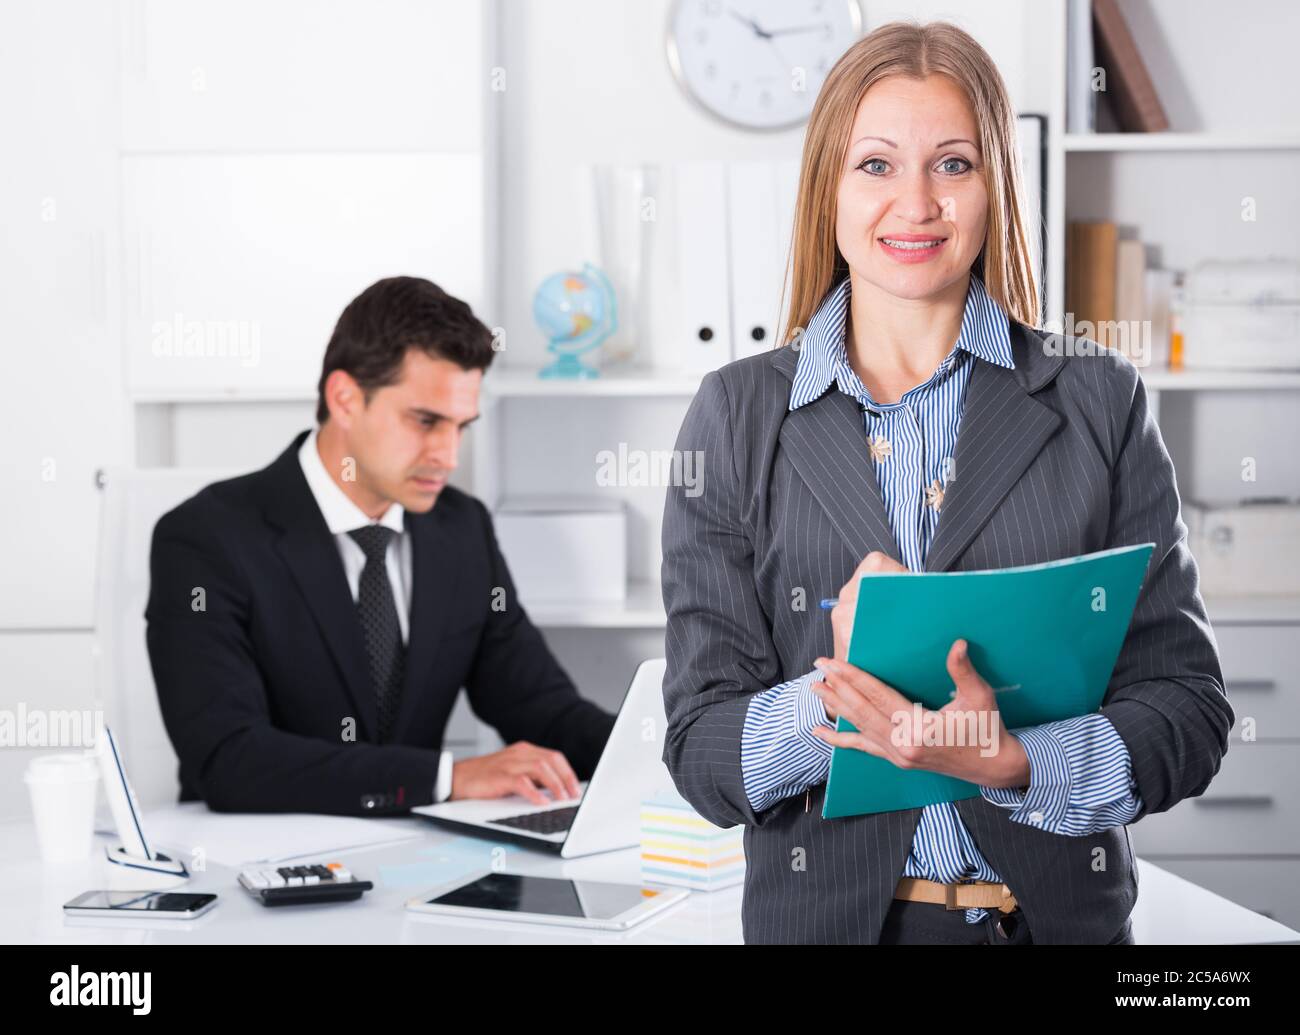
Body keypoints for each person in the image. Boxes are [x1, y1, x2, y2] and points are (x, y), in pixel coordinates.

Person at [659, 21, 1232, 944]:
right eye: (877, 165)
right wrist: (838, 698)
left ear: (995, 184)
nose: (916, 203)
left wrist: (1014, 761)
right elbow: (700, 752)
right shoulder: (734, 416)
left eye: (953, 164)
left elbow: (1189, 712)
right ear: (829, 189)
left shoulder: (1099, 400)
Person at [146, 276, 616, 817]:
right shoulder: (206, 539)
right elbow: (229, 760)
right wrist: (447, 778)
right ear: (345, 399)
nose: (448, 455)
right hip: (262, 868)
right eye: (425, 421)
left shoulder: (461, 530)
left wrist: (661, 757)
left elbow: (541, 707)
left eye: (461, 427)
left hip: (414, 871)